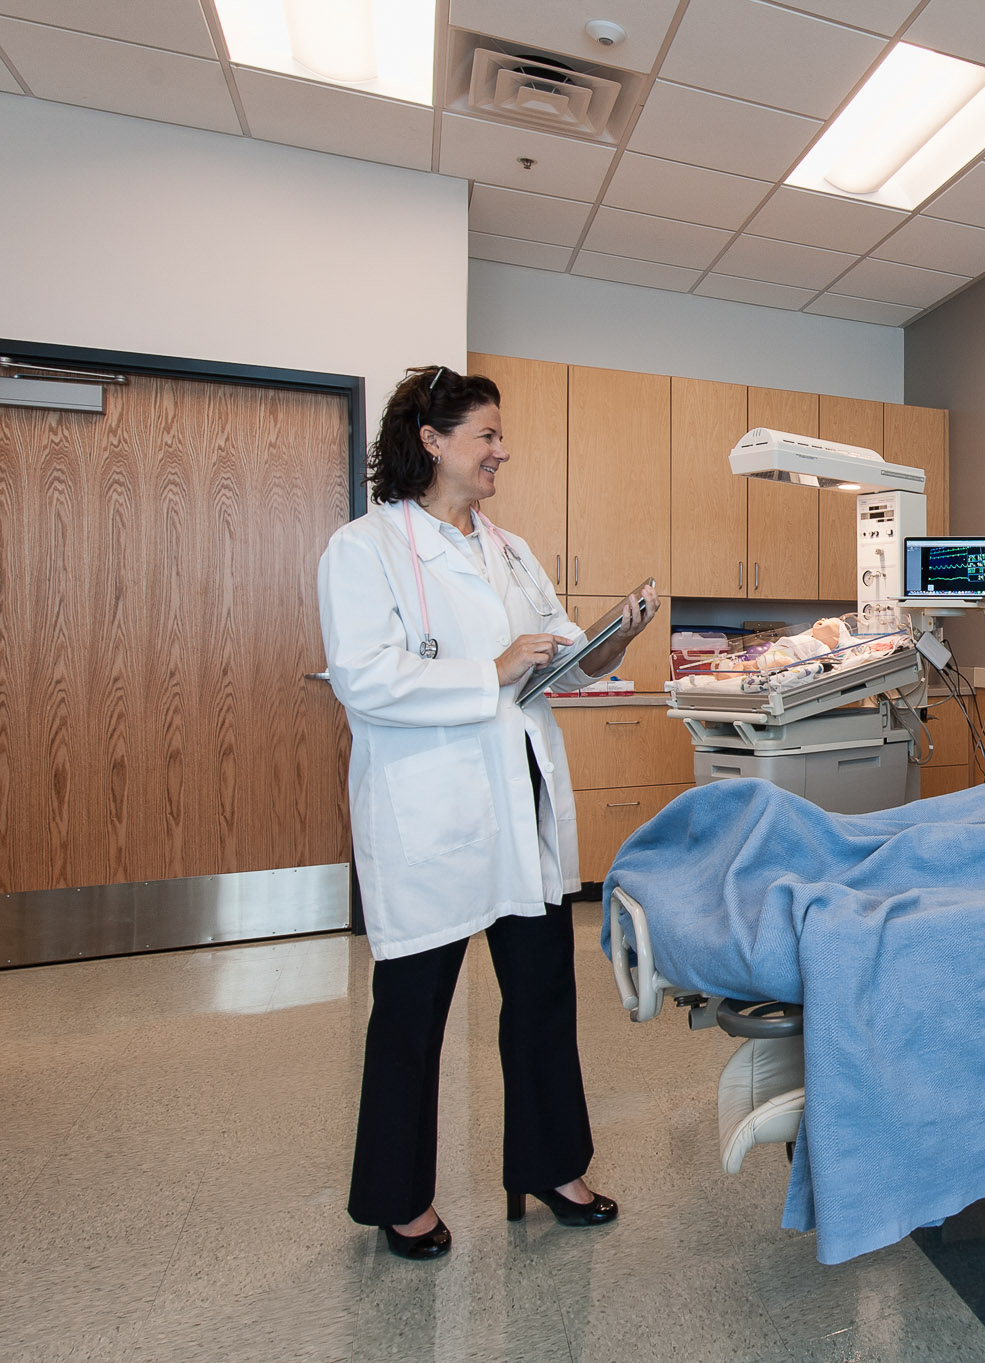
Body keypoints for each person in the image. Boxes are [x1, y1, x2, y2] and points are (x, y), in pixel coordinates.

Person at [318, 365, 658, 1260]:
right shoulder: (366, 548)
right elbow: (365, 679)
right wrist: (494, 668)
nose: (502, 450)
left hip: (524, 801)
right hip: (433, 815)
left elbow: (556, 663)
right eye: (487, 436)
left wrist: (609, 639)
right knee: (412, 1011)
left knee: (542, 995)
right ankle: (398, 1197)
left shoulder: (506, 549)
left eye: (502, 437)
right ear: (432, 441)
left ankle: (550, 1166)